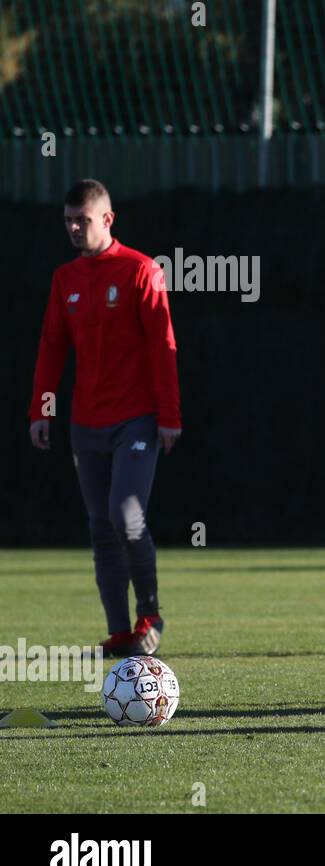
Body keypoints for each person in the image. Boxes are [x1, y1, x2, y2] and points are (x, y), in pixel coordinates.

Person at [28, 179, 181, 657]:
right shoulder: (65, 280)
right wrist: (42, 408)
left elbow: (163, 345)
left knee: (125, 513)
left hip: (136, 417)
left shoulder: (141, 271)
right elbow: (52, 347)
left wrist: (169, 414)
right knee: (100, 527)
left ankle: (150, 614)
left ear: (108, 219)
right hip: (85, 423)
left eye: (84, 220)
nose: (75, 228)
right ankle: (120, 633)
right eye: (69, 221)